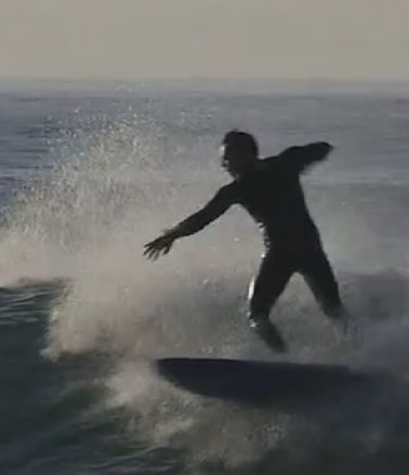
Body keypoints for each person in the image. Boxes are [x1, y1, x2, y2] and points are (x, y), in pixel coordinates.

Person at [143, 130, 348, 353]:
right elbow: (204, 217)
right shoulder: (250, 182)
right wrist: (174, 234)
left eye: (227, 157)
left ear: (245, 153)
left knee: (262, 314)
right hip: (302, 249)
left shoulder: (278, 166)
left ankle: (297, 357)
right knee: (327, 311)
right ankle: (302, 357)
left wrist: (312, 152)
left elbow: (320, 149)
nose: (224, 164)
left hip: (290, 252)